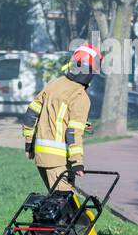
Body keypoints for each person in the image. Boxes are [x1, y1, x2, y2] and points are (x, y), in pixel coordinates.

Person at [21, 43, 99, 191]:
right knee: (65, 205)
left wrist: (29, 144)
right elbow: (73, 133)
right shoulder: (80, 96)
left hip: (40, 155)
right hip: (59, 160)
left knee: (59, 205)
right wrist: (77, 163)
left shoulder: (53, 84)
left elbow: (31, 114)